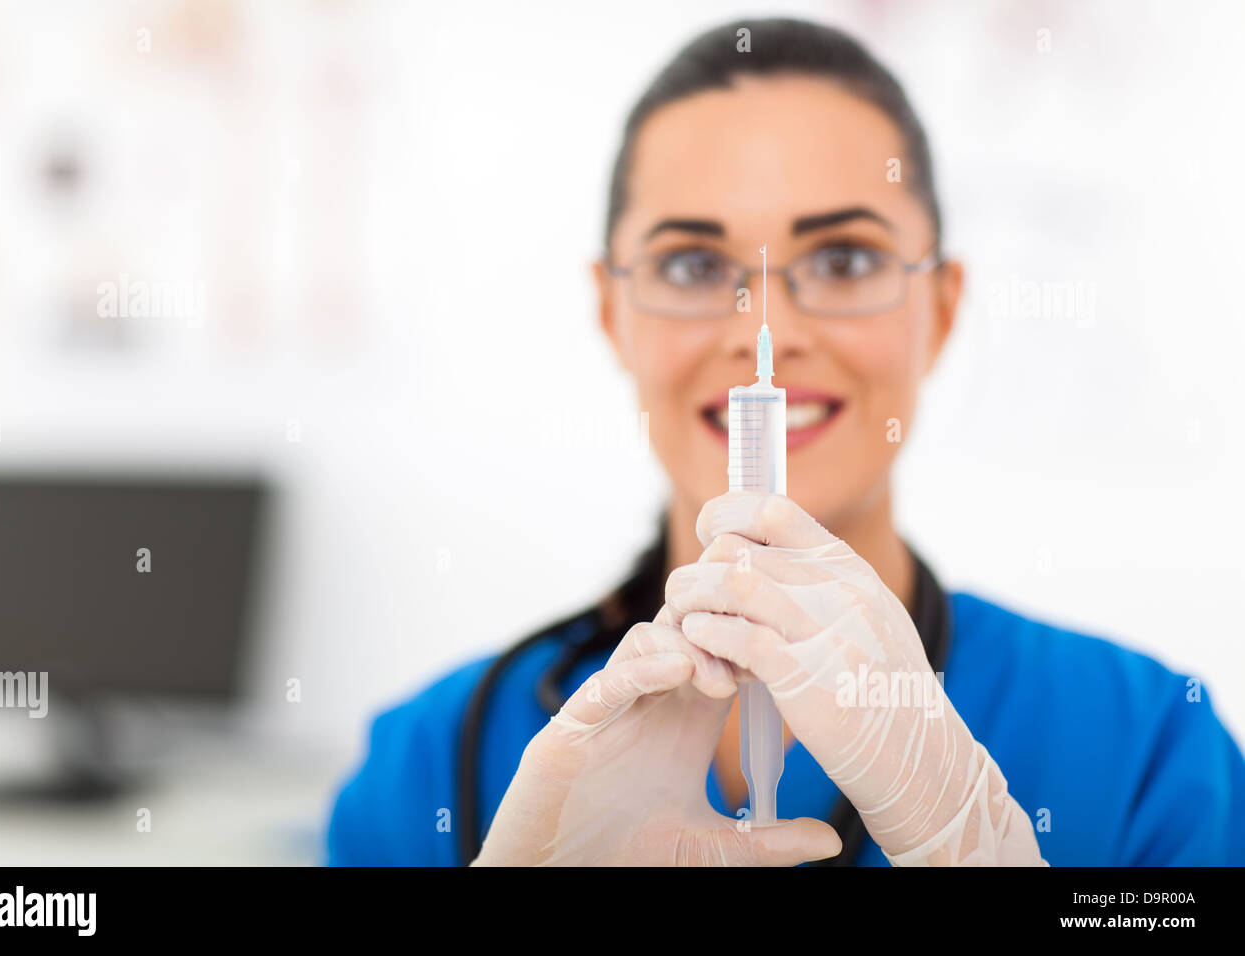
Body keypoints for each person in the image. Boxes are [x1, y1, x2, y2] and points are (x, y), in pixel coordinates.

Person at [326, 17, 1245, 866]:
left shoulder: (1147, 746)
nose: (765, 327)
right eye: (693, 265)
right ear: (612, 313)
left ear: (942, 305)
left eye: (844, 259)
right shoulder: (430, 762)